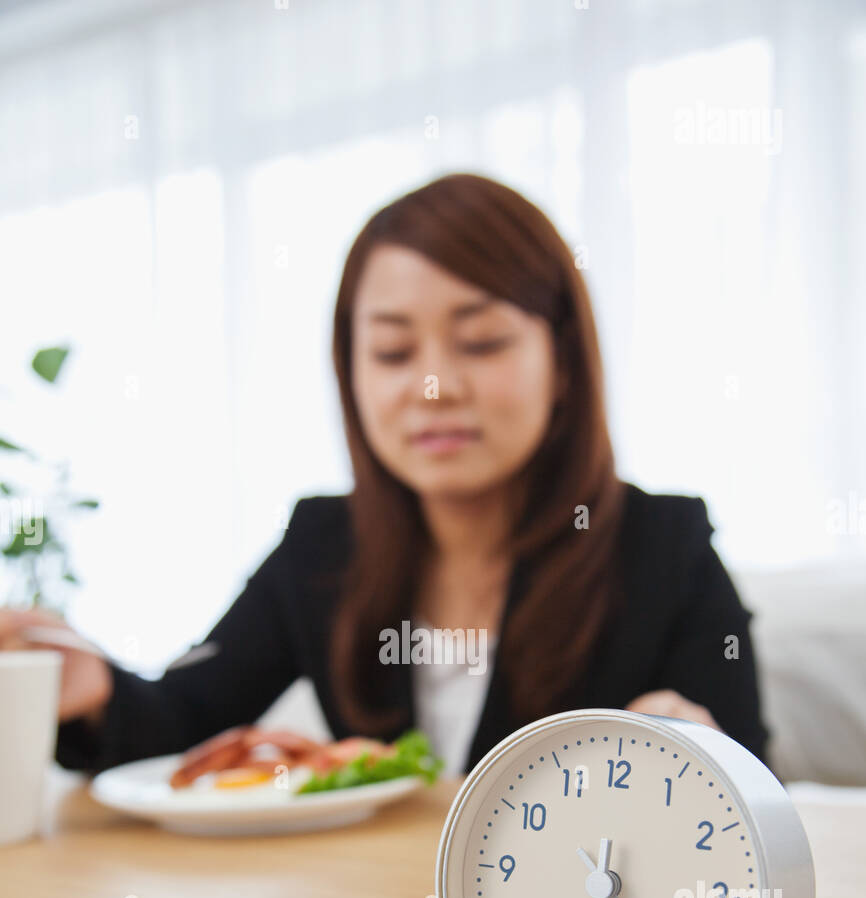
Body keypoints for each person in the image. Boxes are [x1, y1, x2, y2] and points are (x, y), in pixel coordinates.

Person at [0, 173, 769, 778]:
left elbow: (751, 784)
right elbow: (184, 716)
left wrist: (693, 744)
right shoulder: (321, 546)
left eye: (482, 342)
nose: (433, 387)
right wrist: (88, 684)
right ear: (353, 373)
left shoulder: (663, 546)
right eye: (394, 353)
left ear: (562, 362)